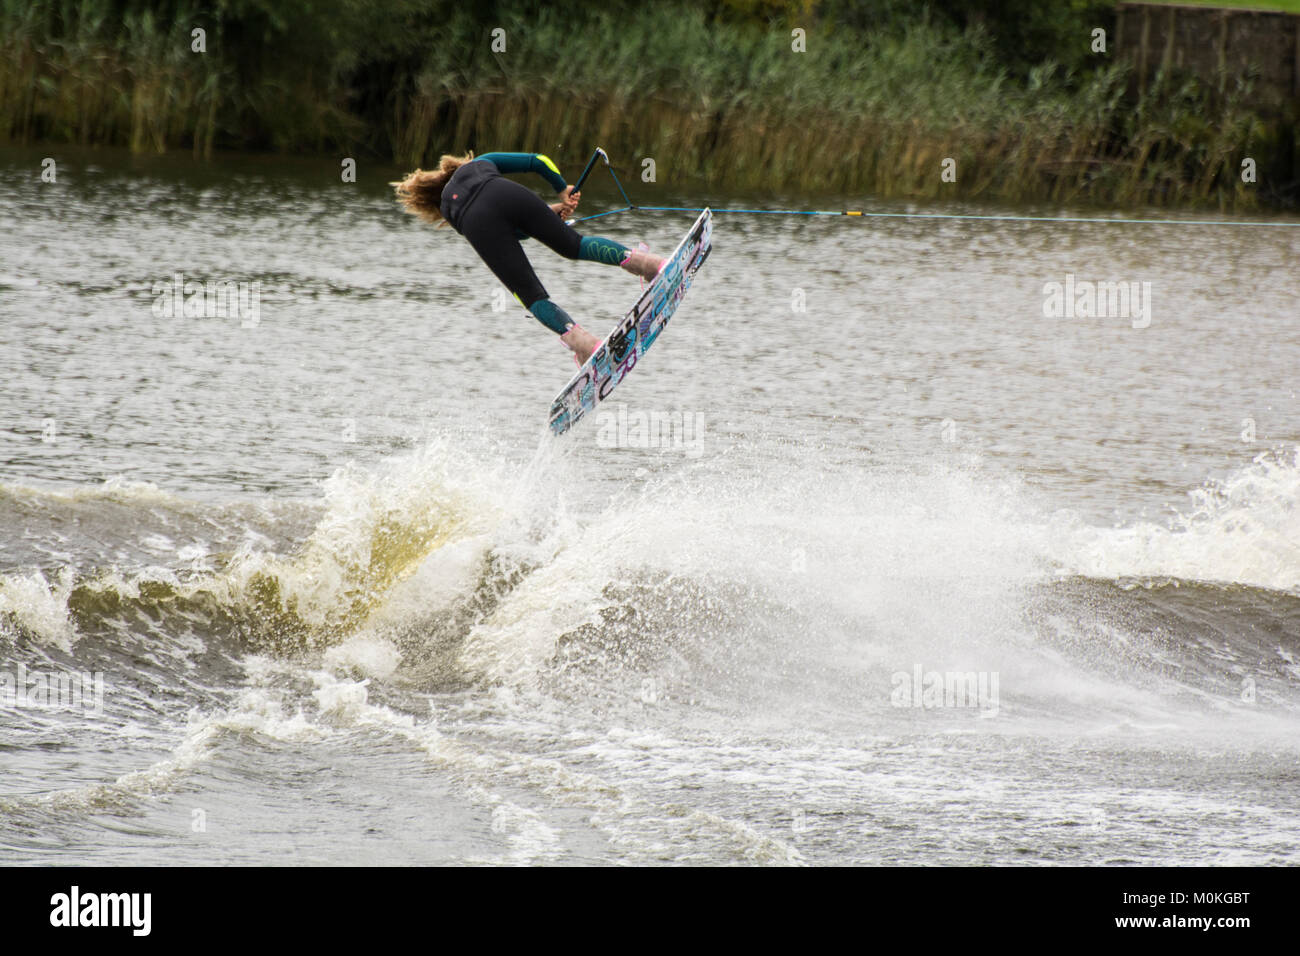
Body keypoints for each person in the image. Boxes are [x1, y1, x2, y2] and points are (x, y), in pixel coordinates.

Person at [392, 151, 664, 365]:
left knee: (532, 297)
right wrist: (561, 191)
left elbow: (502, 235)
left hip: (477, 223)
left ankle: (585, 345)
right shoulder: (478, 164)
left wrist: (548, 214)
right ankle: (649, 265)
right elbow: (538, 161)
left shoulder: (450, 209)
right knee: (574, 245)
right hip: (507, 194)